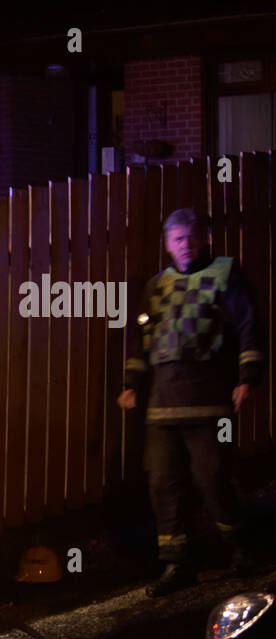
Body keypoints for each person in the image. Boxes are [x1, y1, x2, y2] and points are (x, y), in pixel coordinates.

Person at [118, 208, 266, 597]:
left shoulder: (225, 274)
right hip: (162, 403)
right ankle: (176, 563)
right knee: (162, 482)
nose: (187, 244)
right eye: (179, 238)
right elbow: (142, 339)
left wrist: (247, 378)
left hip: (210, 398)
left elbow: (248, 325)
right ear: (167, 244)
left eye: (192, 236)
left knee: (213, 477)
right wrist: (132, 383)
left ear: (206, 238)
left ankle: (240, 550)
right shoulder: (156, 285)